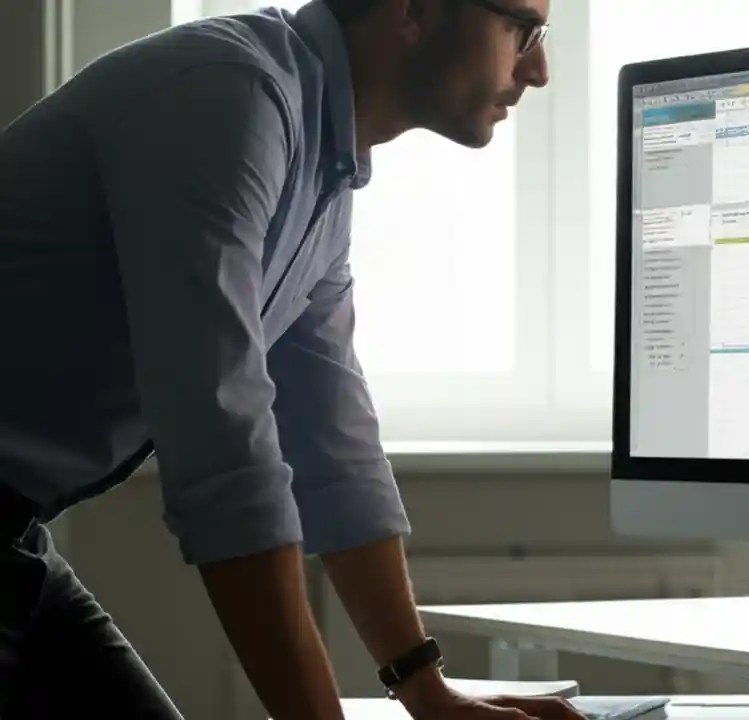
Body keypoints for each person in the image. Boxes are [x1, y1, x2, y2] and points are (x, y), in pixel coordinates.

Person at [0, 0, 583, 718]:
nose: (540, 69)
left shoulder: (321, 167)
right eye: (522, 29)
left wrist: (427, 694)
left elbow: (334, 445)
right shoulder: (231, 97)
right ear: (416, 9)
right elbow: (224, 454)